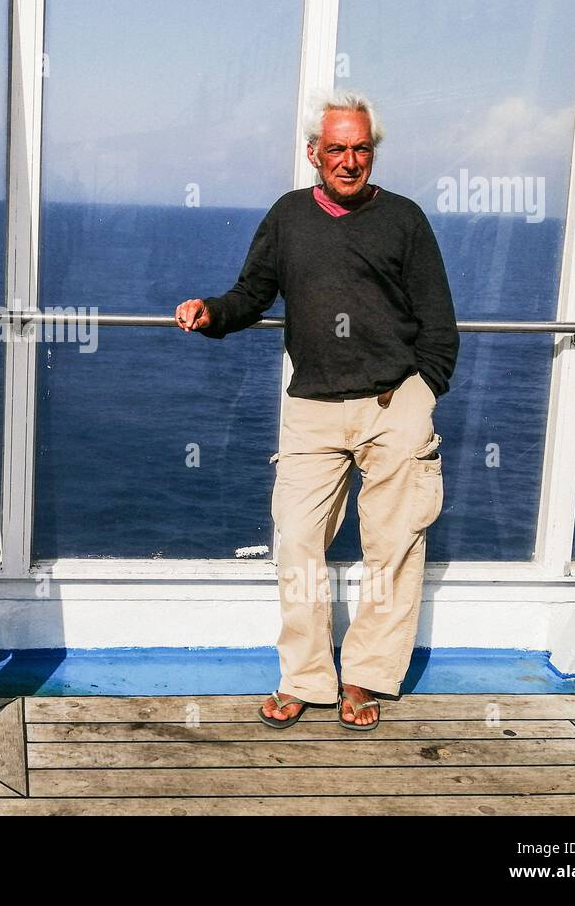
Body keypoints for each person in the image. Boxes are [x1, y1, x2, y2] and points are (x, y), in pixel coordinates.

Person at [174, 89, 459, 730]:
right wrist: (213, 313)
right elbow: (253, 292)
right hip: (313, 408)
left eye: (361, 149)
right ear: (314, 154)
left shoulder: (405, 220)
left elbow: (438, 320)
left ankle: (365, 676)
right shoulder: (288, 216)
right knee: (299, 544)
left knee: (393, 546)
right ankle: (306, 676)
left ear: (372, 153)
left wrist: (424, 392)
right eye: (337, 149)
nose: (350, 160)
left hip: (394, 405)